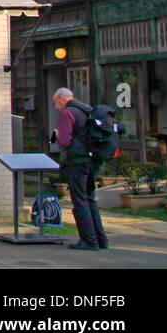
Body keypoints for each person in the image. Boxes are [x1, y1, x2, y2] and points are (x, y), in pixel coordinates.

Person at [52, 87, 108, 251]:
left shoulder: (68, 113)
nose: (57, 107)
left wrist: (57, 133)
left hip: (77, 160)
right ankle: (101, 240)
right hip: (92, 160)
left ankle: (88, 241)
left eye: (56, 102)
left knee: (79, 200)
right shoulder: (88, 110)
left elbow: (64, 141)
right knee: (90, 198)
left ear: (62, 98)